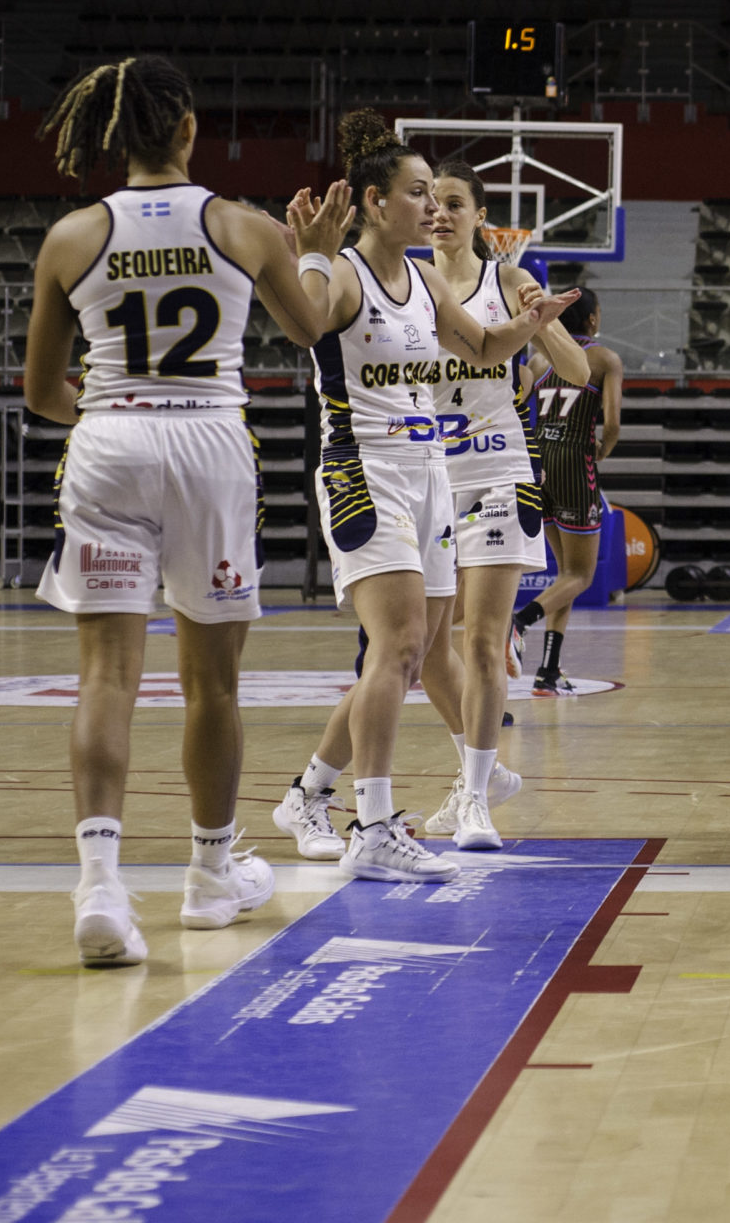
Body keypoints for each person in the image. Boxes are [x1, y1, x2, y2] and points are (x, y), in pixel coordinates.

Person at [21, 56, 350, 965]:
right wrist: (316, 250)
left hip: (109, 439)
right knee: (213, 684)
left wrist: (112, 410)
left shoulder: (70, 237)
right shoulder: (243, 226)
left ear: (110, 136)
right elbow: (312, 327)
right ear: (189, 129)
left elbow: (41, 390)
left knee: (106, 678)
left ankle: (100, 886)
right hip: (210, 442)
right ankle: (209, 876)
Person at [267, 109, 574, 882]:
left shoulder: (427, 279)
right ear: (375, 203)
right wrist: (310, 253)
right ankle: (372, 825)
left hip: (432, 470)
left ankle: (309, 796)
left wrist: (531, 323)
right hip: (364, 470)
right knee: (399, 647)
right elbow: (306, 325)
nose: (431, 207)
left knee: (411, 657)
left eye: (437, 195)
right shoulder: (344, 274)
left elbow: (485, 347)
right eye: (417, 193)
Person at [418, 163, 590, 850]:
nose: (440, 214)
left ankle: (476, 799)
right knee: (422, 649)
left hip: (496, 469)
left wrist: (541, 323)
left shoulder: (507, 280)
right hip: (427, 473)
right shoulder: (407, 282)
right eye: (430, 203)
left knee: (482, 641)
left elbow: (576, 371)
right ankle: (480, 774)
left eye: (454, 203)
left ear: (480, 216)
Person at [512, 289, 621, 695]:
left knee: (565, 575)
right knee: (581, 575)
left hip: (538, 461)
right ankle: (519, 622)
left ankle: (548, 670)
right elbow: (612, 424)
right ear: (592, 319)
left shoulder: (539, 359)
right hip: (575, 461)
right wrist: (603, 450)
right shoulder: (604, 359)